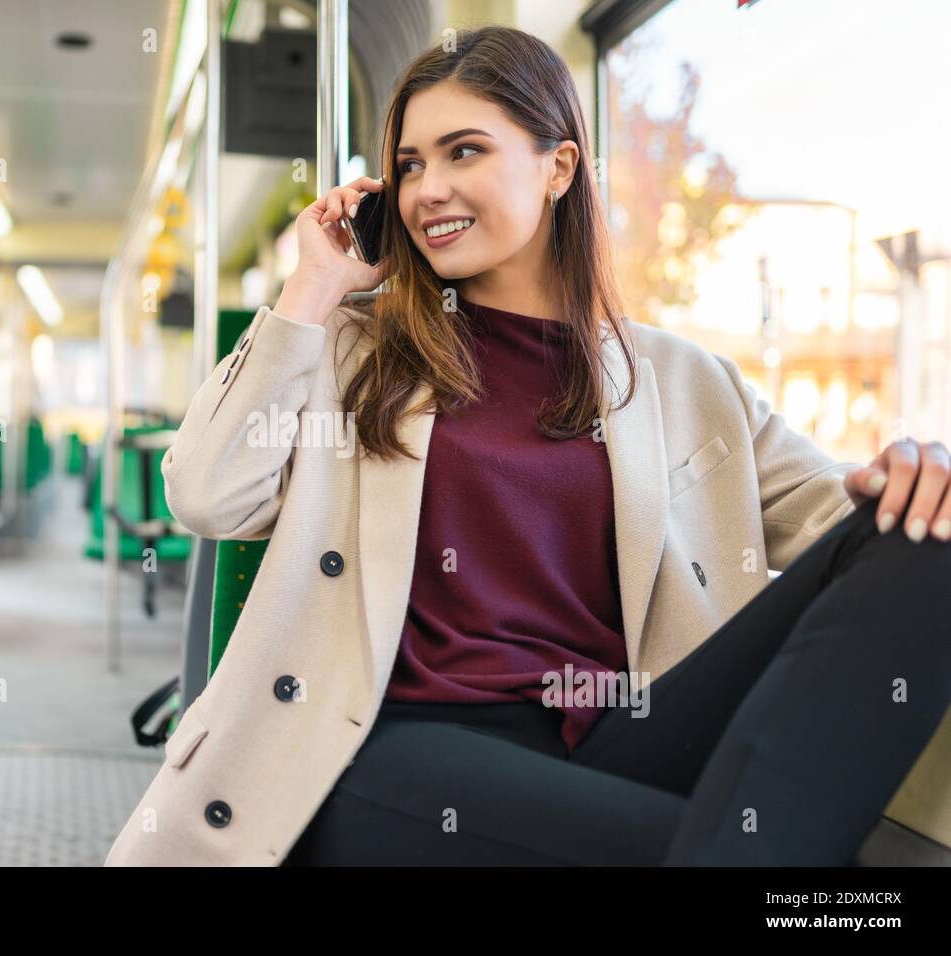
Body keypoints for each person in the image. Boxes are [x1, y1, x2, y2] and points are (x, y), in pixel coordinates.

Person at [104, 25, 950, 868]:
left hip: (615, 732)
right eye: (407, 165)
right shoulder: (350, 348)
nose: (427, 188)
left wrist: (925, 466)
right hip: (394, 747)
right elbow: (207, 494)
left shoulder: (683, 379)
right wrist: (311, 285)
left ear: (561, 166)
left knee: (922, 531)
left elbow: (848, 513)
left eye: (462, 152)